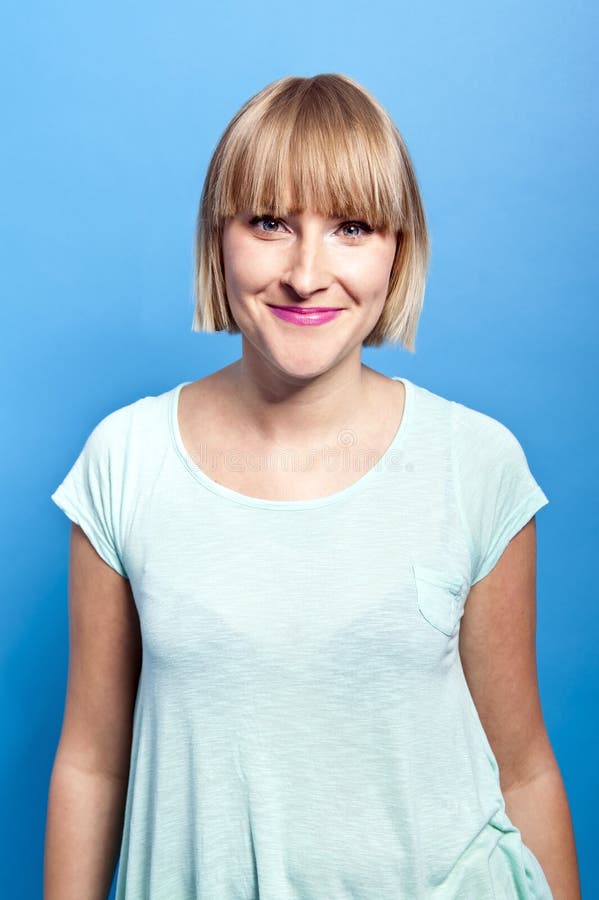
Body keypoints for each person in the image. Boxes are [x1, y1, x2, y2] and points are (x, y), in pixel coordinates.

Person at [45, 73, 580, 899]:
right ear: (217, 237)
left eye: (351, 228)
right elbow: (90, 762)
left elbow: (524, 768)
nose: (305, 273)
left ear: (397, 246)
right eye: (269, 223)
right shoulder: (126, 460)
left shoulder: (475, 463)